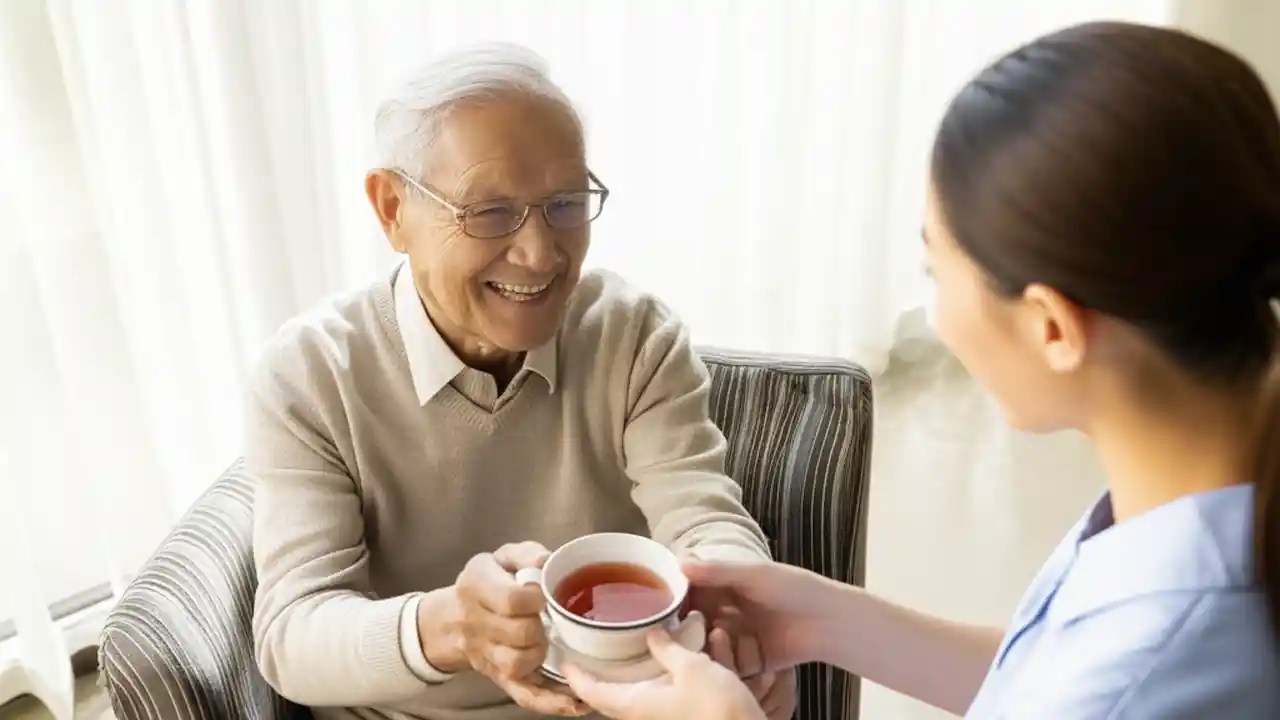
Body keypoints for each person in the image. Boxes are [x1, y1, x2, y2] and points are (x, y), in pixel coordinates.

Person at [565, 21, 1280, 719]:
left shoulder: (1158, 661)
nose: (936, 317)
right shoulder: (1201, 495)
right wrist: (823, 619)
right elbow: (1039, 679)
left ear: (1051, 326)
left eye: (937, 270)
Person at [246, 43, 796, 720]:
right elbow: (292, 635)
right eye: (489, 212)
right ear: (391, 209)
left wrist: (735, 622)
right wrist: (449, 626)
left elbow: (705, 521)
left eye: (565, 204)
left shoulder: (635, 336)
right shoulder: (308, 375)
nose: (540, 254)